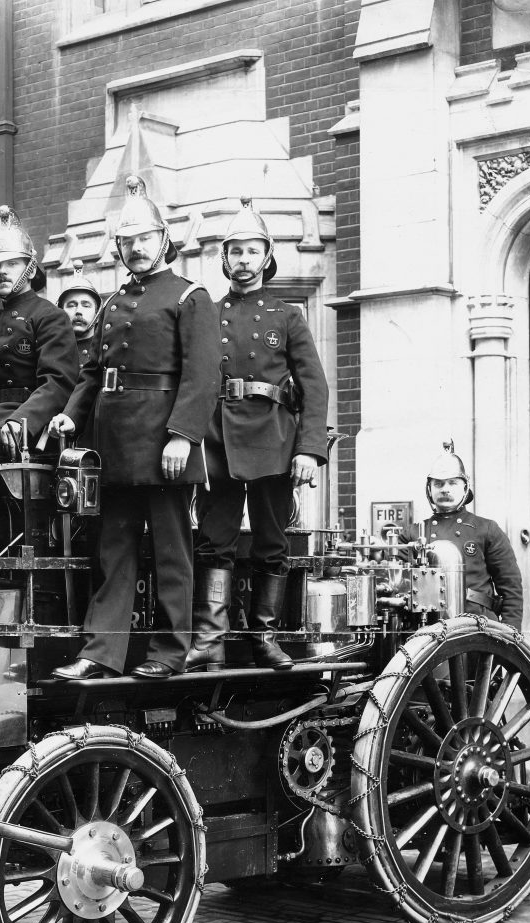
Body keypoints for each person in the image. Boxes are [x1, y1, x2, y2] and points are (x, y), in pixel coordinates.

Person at [48, 175, 220, 681]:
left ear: (164, 239)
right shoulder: (113, 302)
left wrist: (183, 436)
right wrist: (72, 414)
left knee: (171, 553)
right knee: (112, 552)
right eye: (127, 242)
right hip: (115, 444)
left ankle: (170, 653)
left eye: (144, 239)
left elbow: (203, 375)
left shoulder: (191, 296)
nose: (136, 249)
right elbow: (93, 373)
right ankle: (101, 653)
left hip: (165, 442)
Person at [185, 197, 330, 671]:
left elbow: (315, 386)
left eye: (252, 252)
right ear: (223, 259)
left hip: (273, 441)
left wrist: (309, 450)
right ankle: (210, 639)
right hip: (218, 440)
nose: (243, 261)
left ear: (267, 257)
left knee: (272, 542)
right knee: (214, 539)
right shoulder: (206, 312)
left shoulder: (287, 316)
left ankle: (264, 635)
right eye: (235, 252)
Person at [0, 206, 79, 553]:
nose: (2, 272)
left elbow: (58, 382)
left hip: (30, 425)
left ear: (30, 268)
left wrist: (21, 421)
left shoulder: (49, 317)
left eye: (11, 264)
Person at [400, 441, 523, 630]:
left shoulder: (486, 529)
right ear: (429, 489)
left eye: (452, 483)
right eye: (438, 484)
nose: (445, 489)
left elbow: (511, 590)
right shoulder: (413, 533)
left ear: (465, 488)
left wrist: (508, 639)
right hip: (426, 628)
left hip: (478, 628)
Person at [58, 259, 101, 362]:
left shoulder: (104, 350)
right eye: (71, 305)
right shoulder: (51, 350)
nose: (78, 311)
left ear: (97, 312)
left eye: (86, 305)